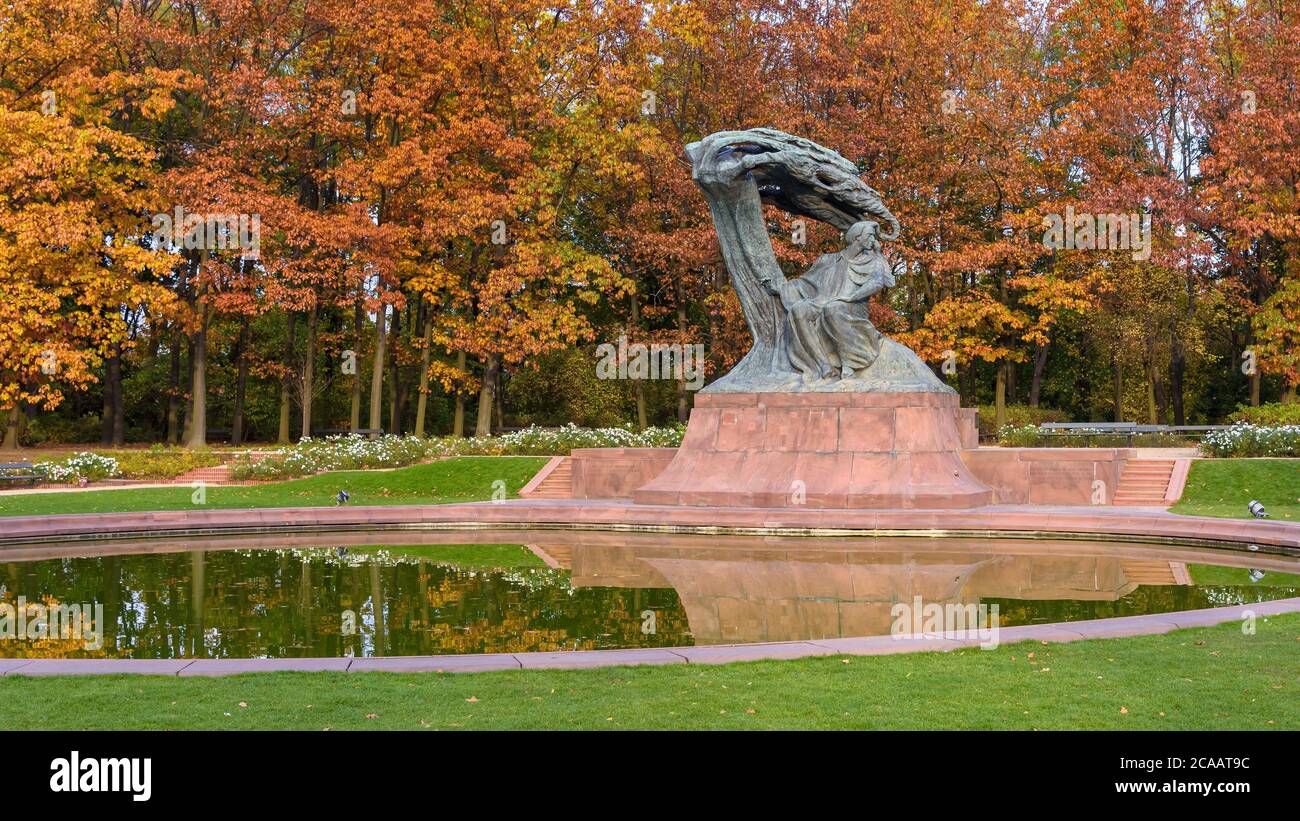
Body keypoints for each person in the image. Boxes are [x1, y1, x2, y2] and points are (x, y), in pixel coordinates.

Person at [759, 220, 895, 382]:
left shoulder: (874, 260)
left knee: (833, 309)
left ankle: (849, 363)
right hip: (823, 300)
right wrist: (779, 289)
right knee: (799, 311)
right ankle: (824, 366)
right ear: (857, 237)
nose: (874, 241)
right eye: (870, 236)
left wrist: (851, 297)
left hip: (853, 305)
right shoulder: (828, 260)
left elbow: (879, 282)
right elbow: (805, 282)